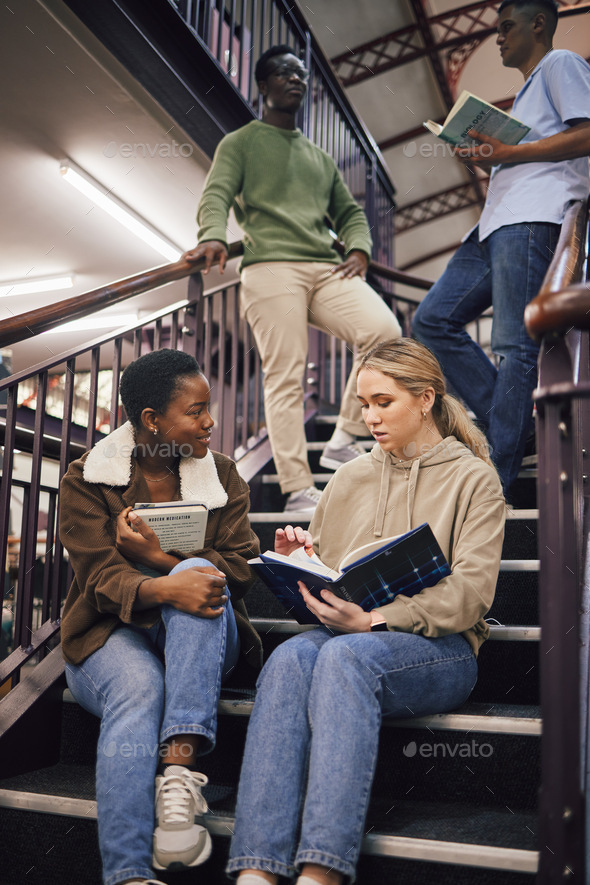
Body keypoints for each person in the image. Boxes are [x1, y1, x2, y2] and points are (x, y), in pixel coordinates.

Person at [226, 338, 506, 885]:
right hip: (349, 638)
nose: (369, 417)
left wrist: (376, 621)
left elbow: (473, 594)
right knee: (286, 660)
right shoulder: (348, 478)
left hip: (439, 651)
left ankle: (321, 870)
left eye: (384, 402)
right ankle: (257, 869)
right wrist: (301, 565)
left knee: (346, 659)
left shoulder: (474, 478)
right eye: (362, 404)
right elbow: (334, 577)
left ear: (425, 399)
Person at [59, 348, 262, 885]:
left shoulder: (220, 474)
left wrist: (159, 563)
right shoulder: (88, 479)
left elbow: (240, 568)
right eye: (196, 411)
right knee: (141, 687)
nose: (210, 421)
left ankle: (178, 770)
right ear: (152, 421)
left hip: (204, 638)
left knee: (200, 569)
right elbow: (99, 577)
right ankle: (128, 875)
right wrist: (164, 587)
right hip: (108, 638)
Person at [184, 44, 402, 514]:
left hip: (325, 267)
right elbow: (217, 194)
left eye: (301, 75)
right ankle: (297, 489)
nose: (296, 80)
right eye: (285, 73)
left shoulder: (319, 158)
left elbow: (350, 214)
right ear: (263, 86)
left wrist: (360, 247)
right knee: (286, 374)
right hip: (270, 267)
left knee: (385, 332)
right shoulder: (240, 142)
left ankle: (346, 434)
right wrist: (212, 236)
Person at [412, 0, 590, 498]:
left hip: (535, 218)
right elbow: (529, 156)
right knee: (432, 320)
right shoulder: (529, 89)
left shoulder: (561, 64)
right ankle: (518, 425)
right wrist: (491, 159)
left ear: (539, 23)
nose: (498, 37)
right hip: (494, 225)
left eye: (507, 27)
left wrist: (510, 153)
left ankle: (497, 485)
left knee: (513, 346)